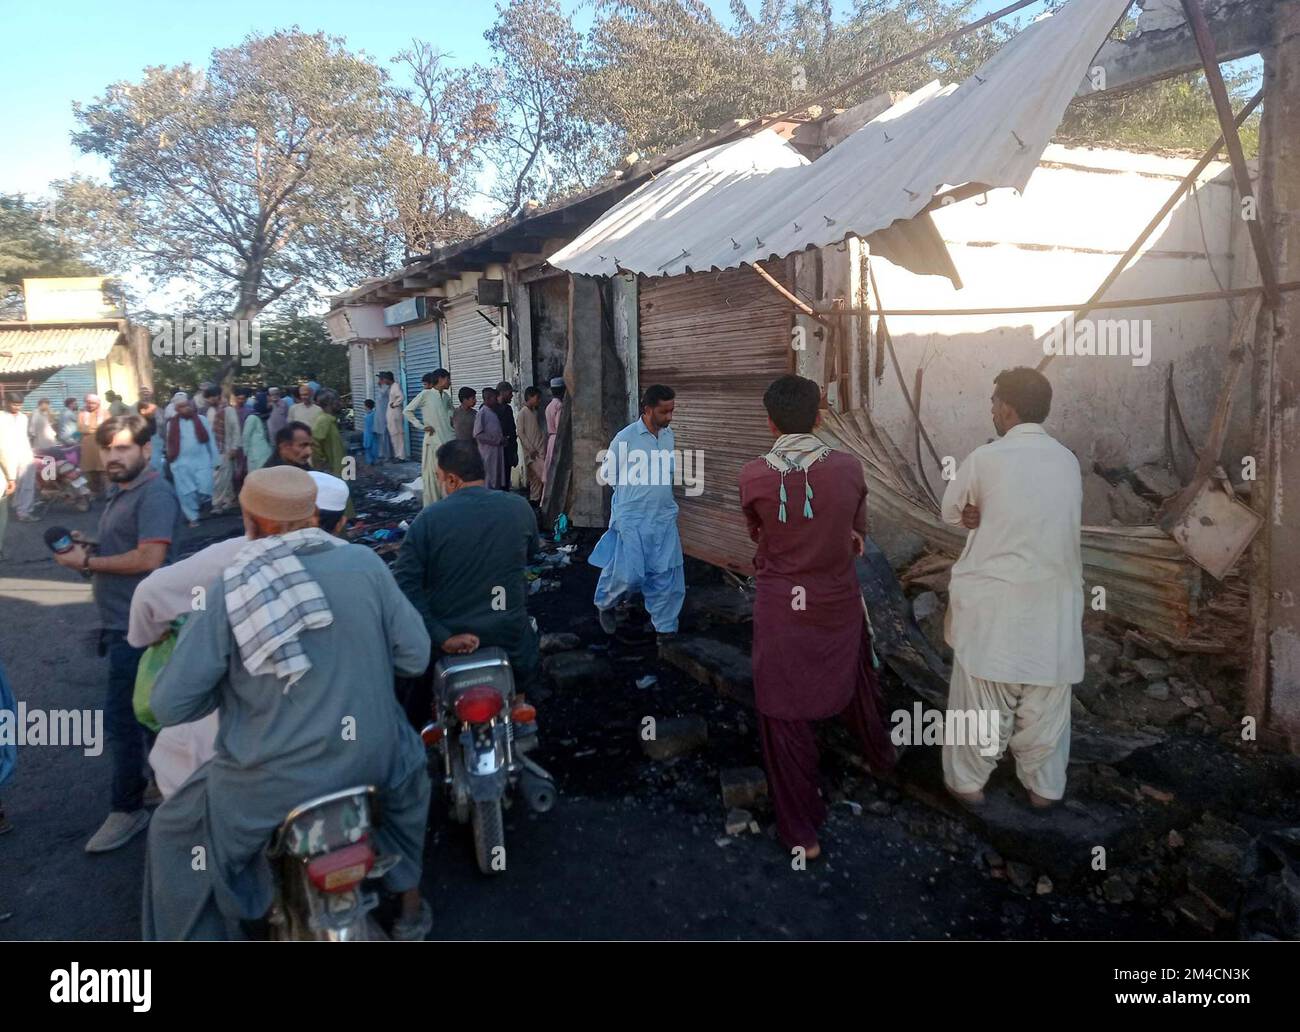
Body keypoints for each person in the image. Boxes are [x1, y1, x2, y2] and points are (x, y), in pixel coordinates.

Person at [141, 466, 434, 940]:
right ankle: (410, 901)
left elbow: (170, 707)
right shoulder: (365, 564)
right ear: (312, 514)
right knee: (413, 777)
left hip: (265, 785)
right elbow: (416, 657)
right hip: (370, 762)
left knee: (175, 835)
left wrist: (228, 687)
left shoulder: (232, 586)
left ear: (250, 521)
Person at [739, 375, 895, 857]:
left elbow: (757, 535)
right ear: (819, 416)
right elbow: (856, 536)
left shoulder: (753, 475)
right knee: (855, 671)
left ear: (769, 423)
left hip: (783, 605)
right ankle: (883, 760)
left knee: (783, 710)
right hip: (836, 599)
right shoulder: (849, 468)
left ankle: (803, 834)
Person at [128, 469, 354, 802]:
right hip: (326, 739)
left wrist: (152, 637)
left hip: (233, 750)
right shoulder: (356, 563)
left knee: (179, 829)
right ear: (338, 525)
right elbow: (409, 653)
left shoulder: (234, 554)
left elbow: (150, 595)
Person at [939, 368, 1084, 809]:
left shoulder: (985, 459)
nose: (991, 410)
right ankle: (1043, 791)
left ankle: (969, 787)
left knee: (979, 701)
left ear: (1006, 408)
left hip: (993, 609)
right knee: (1046, 707)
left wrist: (969, 512)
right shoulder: (1067, 461)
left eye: (993, 402)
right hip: (1053, 609)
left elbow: (950, 511)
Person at [52, 413, 180, 853]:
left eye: (123, 447)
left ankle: (127, 809)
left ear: (146, 450)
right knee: (147, 716)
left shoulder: (155, 493)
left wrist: (87, 563)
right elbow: (128, 549)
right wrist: (92, 547)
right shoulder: (120, 492)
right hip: (121, 623)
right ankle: (164, 786)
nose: (112, 456)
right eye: (107, 448)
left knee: (124, 721)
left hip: (141, 628)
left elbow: (148, 559)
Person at [394, 439, 541, 714]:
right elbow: (531, 554)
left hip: (449, 642)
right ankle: (519, 705)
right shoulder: (519, 508)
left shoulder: (427, 520)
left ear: (451, 479)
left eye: (439, 478)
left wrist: (442, 636)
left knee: (414, 706)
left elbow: (405, 585)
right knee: (522, 693)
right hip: (509, 638)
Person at [589, 384, 685, 643]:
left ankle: (666, 629)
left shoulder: (668, 436)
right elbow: (609, 475)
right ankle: (605, 603)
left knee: (666, 574)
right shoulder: (626, 438)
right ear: (647, 409)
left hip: (663, 516)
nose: (670, 417)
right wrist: (635, 492)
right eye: (664, 412)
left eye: (672, 411)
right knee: (629, 574)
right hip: (632, 518)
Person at [166, 393, 219, 527]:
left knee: (205, 487)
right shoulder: (171, 424)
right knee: (186, 492)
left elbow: (210, 441)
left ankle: (200, 504)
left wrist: (216, 460)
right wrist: (172, 463)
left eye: (187, 405)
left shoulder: (201, 420)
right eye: (182, 407)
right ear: (177, 409)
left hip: (202, 460)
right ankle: (192, 517)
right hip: (181, 463)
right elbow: (170, 444)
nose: (186, 409)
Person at [404, 369, 455, 506]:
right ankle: (433, 507)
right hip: (433, 442)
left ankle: (447, 505)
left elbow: (452, 416)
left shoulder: (446, 397)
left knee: (448, 476)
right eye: (448, 379)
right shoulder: (426, 394)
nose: (450, 382)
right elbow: (407, 411)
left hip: (448, 442)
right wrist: (421, 426)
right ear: (441, 379)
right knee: (433, 477)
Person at [311, 389, 352, 519]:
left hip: (340, 468)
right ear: (330, 403)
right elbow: (314, 444)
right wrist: (323, 467)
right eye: (338, 400)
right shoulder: (323, 421)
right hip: (332, 471)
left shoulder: (330, 420)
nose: (340, 403)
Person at [0, 393, 38, 525]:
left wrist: (30, 454)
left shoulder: (23, 418)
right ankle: (13, 506)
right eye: (14, 404)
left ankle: (24, 511)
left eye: (19, 405)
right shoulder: (1, 417)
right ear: (6, 402)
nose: (17, 407)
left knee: (27, 483)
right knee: (5, 484)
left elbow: (24, 436)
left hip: (24, 453)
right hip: (5, 455)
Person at [208, 387, 242, 514]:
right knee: (224, 476)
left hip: (226, 449)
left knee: (218, 478)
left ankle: (216, 504)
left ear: (217, 396)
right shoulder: (210, 411)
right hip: (214, 449)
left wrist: (234, 447)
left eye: (211, 397)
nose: (209, 400)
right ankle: (229, 500)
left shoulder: (228, 410)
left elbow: (235, 429)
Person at [473, 386, 507, 490]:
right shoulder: (482, 413)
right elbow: (478, 434)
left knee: (495, 480)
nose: (497, 400)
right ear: (488, 398)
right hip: (488, 453)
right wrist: (497, 440)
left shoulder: (492, 412)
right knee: (489, 480)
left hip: (496, 452)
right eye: (494, 398)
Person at [517, 386, 546, 505]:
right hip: (533, 453)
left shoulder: (534, 412)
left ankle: (535, 504)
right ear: (530, 397)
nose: (539, 400)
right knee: (543, 477)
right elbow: (520, 433)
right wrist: (531, 449)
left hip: (538, 451)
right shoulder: (523, 413)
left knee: (535, 481)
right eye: (537, 398)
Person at [79, 393, 109, 496]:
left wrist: (91, 429)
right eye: (88, 403)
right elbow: (81, 429)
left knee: (104, 472)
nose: (90, 405)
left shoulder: (105, 413)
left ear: (98, 403)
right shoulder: (82, 414)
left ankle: (108, 494)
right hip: (88, 448)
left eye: (93, 403)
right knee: (90, 472)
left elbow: (107, 428)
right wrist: (97, 429)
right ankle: (94, 493)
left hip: (102, 447)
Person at [242, 391, 273, 474]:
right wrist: (245, 456)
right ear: (263, 402)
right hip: (255, 458)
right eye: (268, 402)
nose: (271, 404)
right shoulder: (252, 418)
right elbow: (246, 438)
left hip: (267, 455)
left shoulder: (266, 417)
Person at [494, 381, 519, 484]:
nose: (511, 396)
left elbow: (512, 432)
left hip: (507, 451)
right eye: (509, 393)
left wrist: (514, 452)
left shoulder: (508, 409)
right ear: (502, 393)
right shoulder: (488, 409)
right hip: (495, 452)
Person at [543, 377, 564, 491]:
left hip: (551, 439)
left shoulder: (549, 406)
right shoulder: (559, 405)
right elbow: (559, 426)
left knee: (549, 467)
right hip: (556, 439)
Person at [385, 372, 407, 462]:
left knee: (398, 435)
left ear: (388, 378)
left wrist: (394, 404)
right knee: (394, 435)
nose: (384, 381)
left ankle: (401, 456)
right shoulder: (391, 387)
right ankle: (397, 455)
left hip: (395, 415)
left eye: (385, 379)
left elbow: (401, 397)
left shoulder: (396, 386)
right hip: (392, 415)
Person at [372, 373, 393, 462]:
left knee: (386, 436)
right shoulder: (381, 389)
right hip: (379, 416)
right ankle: (382, 454)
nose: (379, 381)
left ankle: (388, 455)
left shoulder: (387, 389)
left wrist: (381, 386)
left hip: (385, 415)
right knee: (381, 436)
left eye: (381, 379)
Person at [362, 399, 378, 464]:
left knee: (370, 447)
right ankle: (371, 461)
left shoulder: (371, 415)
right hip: (368, 433)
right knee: (370, 447)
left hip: (370, 433)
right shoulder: (370, 414)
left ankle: (371, 461)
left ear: (367, 406)